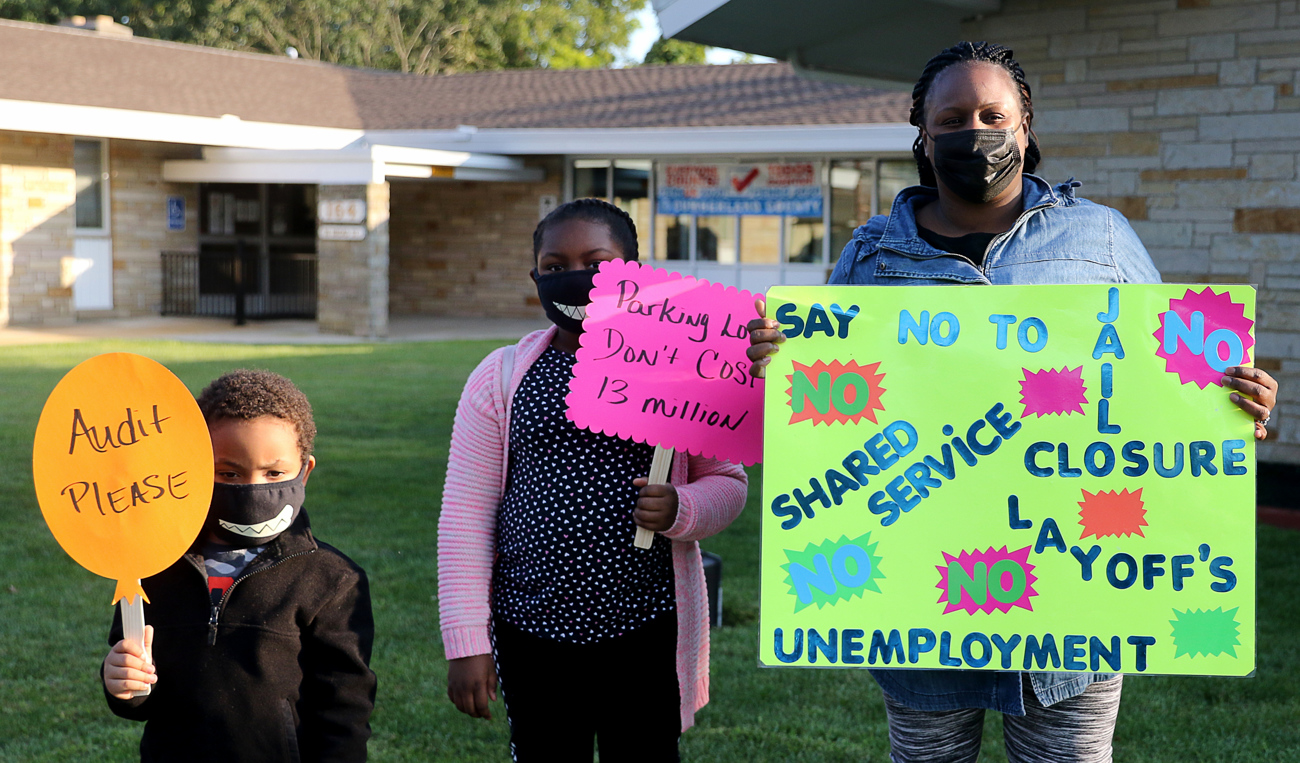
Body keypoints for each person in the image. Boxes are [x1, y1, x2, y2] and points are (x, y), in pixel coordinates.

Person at [746, 41, 1278, 763]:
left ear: (1025, 126)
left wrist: (1230, 405)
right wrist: (783, 366)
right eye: (954, 118)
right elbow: (830, 408)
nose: (976, 132)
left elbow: (1165, 380)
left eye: (993, 114)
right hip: (919, 585)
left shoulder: (1102, 237)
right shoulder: (870, 254)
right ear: (924, 137)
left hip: (1074, 584)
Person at [438, 198, 749, 761]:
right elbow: (465, 515)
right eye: (554, 266)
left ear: (632, 269)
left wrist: (681, 507)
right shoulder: (502, 376)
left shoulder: (683, 366)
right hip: (530, 630)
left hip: (646, 629)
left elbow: (727, 482)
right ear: (535, 274)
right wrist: (466, 642)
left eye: (595, 261)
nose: (574, 277)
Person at [102, 369, 377, 762]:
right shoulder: (152, 567)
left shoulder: (331, 580)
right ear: (193, 468)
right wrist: (123, 682)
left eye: (274, 473)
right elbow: (138, 690)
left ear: (305, 471)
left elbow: (344, 713)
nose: (251, 488)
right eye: (228, 473)